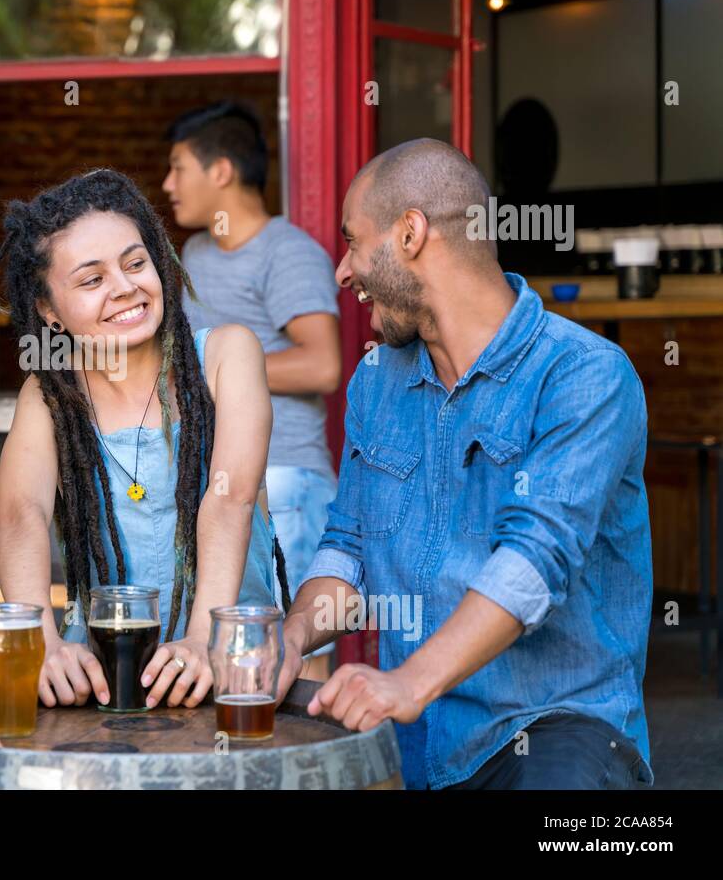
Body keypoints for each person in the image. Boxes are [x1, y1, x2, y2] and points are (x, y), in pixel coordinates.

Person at [275, 138, 653, 789]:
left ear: (412, 233)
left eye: (353, 242)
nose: (343, 271)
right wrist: (292, 637)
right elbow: (348, 549)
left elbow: (535, 560)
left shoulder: (584, 376)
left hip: (556, 731)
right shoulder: (376, 380)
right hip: (418, 741)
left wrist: (406, 682)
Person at [0, 168, 288, 711]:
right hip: (103, 681)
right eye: (91, 279)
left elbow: (228, 499)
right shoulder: (48, 395)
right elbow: (20, 514)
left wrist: (204, 640)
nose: (125, 287)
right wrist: (43, 643)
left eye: (135, 263)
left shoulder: (226, 354)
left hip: (227, 669)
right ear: (49, 312)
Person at [164, 101, 342, 681]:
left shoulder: (285, 251)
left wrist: (225, 371)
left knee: (297, 656)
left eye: (178, 168)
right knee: (225, 652)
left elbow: (322, 364)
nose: (168, 185)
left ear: (221, 171)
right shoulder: (192, 254)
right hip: (221, 484)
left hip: (286, 475)